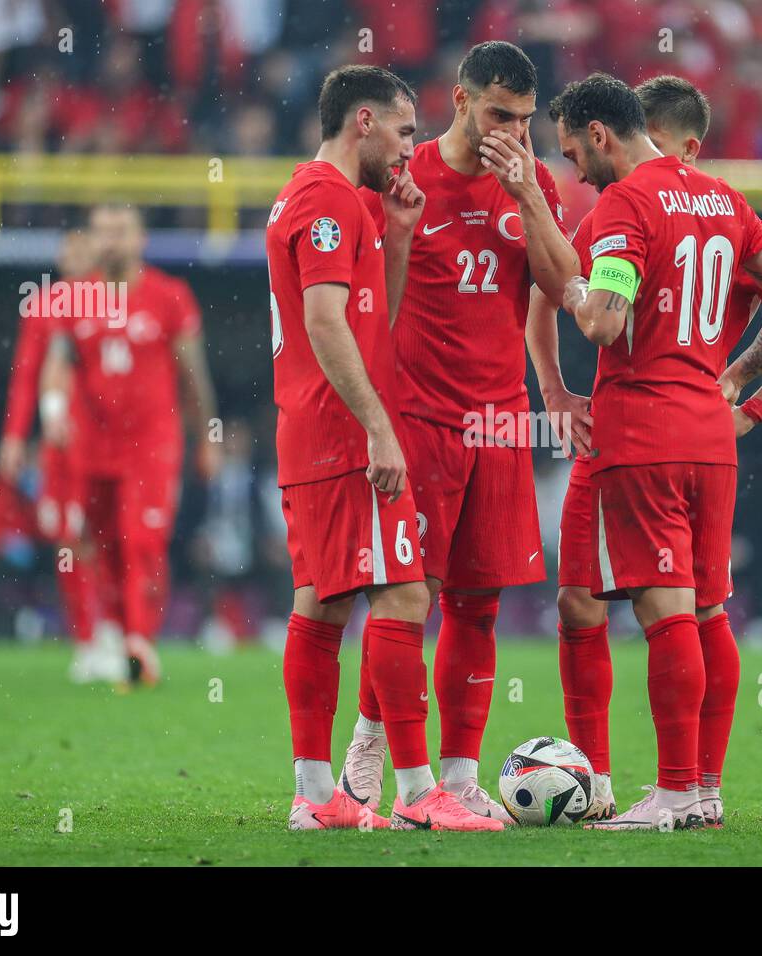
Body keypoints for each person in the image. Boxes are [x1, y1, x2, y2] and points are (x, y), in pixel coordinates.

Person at [530, 73, 762, 825]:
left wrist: (571, 290)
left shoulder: (625, 203)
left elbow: (601, 323)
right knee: (705, 611)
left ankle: (668, 792)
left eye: (574, 154)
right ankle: (700, 791)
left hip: (640, 432)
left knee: (666, 614)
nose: (575, 171)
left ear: (602, 135)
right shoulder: (724, 200)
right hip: (708, 434)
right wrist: (737, 388)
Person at [335, 42, 578, 823]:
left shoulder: (533, 182)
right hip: (421, 420)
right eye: (500, 113)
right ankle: (370, 750)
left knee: (479, 604)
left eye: (525, 119)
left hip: (501, 421)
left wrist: (530, 198)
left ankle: (463, 773)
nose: (512, 129)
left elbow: (564, 286)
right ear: (462, 100)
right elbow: (371, 304)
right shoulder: (405, 180)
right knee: (412, 598)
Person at [271, 64, 502, 832]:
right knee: (404, 594)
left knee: (325, 601)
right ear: (363, 122)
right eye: (404, 131)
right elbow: (327, 323)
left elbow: (374, 316)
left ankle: (315, 794)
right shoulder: (326, 200)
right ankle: (414, 792)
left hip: (312, 428)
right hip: (343, 433)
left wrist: (398, 234)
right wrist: (379, 427)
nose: (412, 149)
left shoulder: (341, 202)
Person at [42, 204, 221, 686]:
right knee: (100, 545)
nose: (110, 241)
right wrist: (54, 412)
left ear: (141, 239)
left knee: (141, 540)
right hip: (93, 446)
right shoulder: (72, 299)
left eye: (120, 231)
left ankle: (141, 639)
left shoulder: (169, 296)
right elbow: (58, 363)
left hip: (152, 445)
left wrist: (208, 435)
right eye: (102, 231)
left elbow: (192, 374)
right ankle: (117, 634)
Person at [0, 229, 116, 682]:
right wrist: (14, 435)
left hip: (106, 443)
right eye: (68, 248)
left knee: (104, 536)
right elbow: (27, 375)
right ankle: (87, 637)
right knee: (68, 535)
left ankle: (111, 630)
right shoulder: (45, 305)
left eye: (84, 247)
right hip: (63, 446)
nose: (74, 256)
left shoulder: (113, 302)